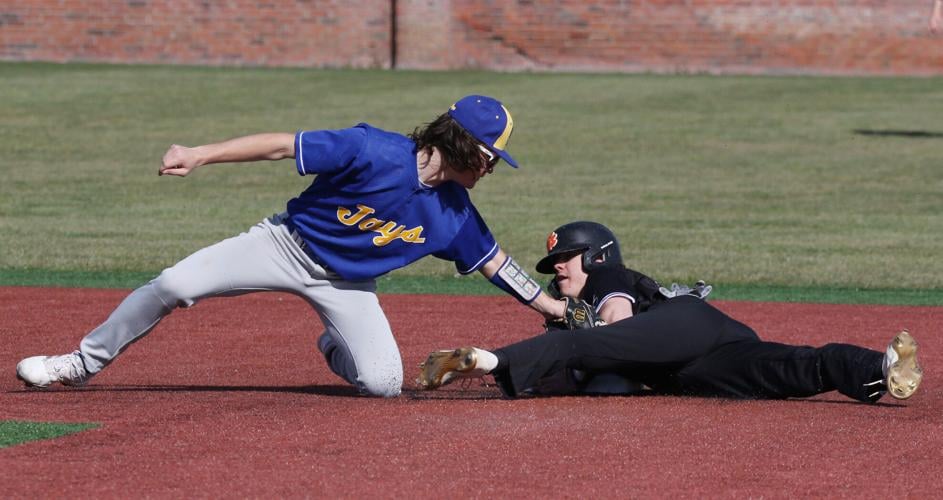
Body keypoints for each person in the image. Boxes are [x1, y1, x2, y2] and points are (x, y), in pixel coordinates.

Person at [16, 95, 567, 397]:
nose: (494, 166)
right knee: (173, 284)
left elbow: (496, 263)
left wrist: (547, 306)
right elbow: (283, 146)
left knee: (381, 386)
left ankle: (334, 345)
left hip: (348, 286)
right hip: (284, 244)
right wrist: (201, 153)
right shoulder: (372, 150)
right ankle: (78, 364)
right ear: (462, 145)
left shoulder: (455, 214)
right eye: (491, 155)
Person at [416, 221, 924, 403]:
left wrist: (572, 345)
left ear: (594, 256)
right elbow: (595, 356)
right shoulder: (573, 303)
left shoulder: (608, 279)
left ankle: (485, 360)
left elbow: (616, 324)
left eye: (564, 259)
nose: (558, 270)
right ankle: (879, 370)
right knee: (791, 370)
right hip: (699, 359)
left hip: (683, 323)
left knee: (576, 347)